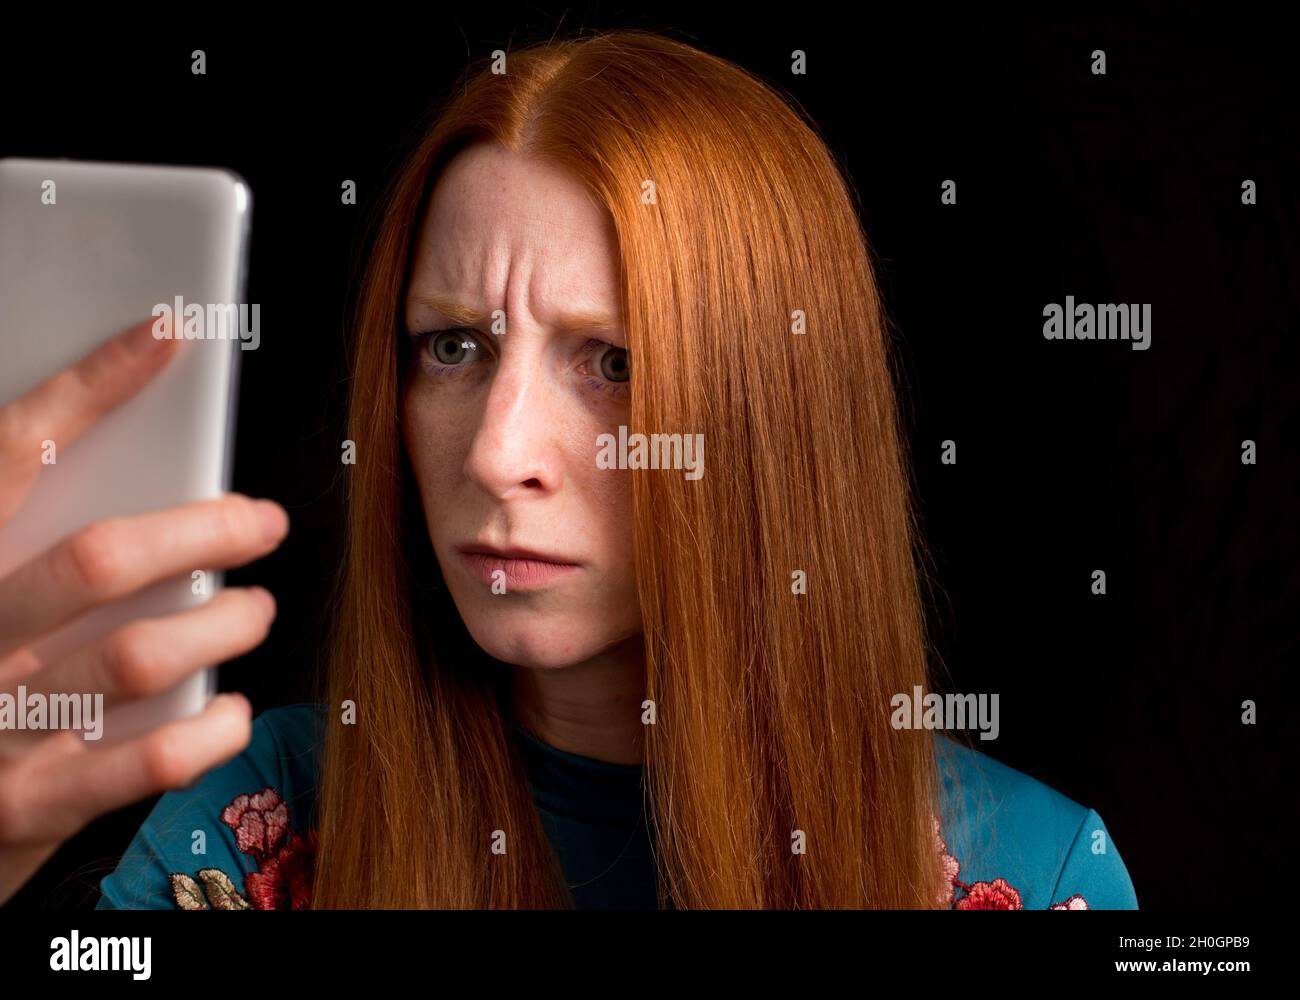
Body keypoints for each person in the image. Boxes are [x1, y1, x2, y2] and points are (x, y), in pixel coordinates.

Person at [4, 29, 1138, 910]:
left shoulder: (1036, 878)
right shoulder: (251, 830)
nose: (497, 453)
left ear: (771, 418)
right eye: (453, 348)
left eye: (613, 363)